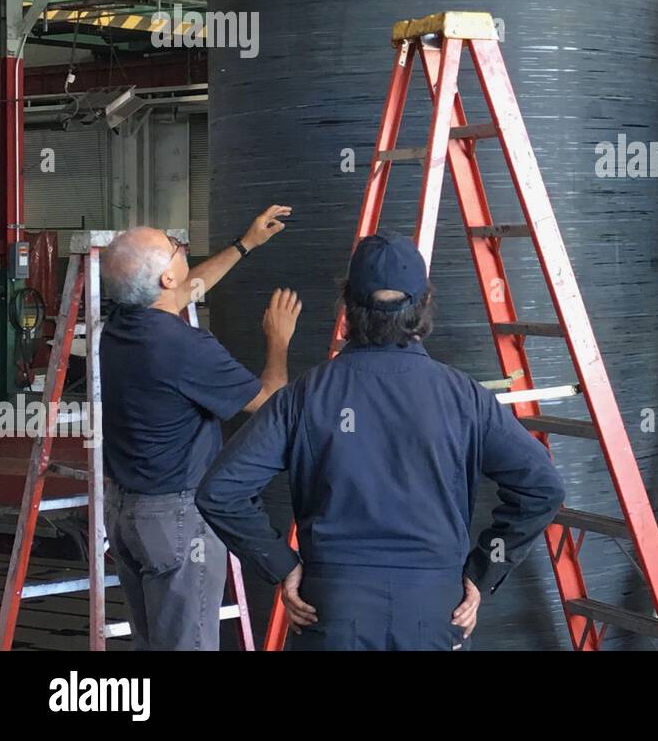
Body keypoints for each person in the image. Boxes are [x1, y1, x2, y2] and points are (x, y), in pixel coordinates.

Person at [196, 230, 566, 651]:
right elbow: (543, 488)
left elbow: (220, 491)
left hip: (333, 610)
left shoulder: (303, 397)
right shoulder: (465, 399)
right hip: (433, 610)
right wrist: (483, 570)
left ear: (348, 307)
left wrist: (281, 564)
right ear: (424, 304)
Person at [99, 206, 300, 650]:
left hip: (126, 513)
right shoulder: (184, 348)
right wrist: (278, 341)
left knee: (152, 642)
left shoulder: (120, 323)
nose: (181, 248)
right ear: (164, 280)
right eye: (173, 247)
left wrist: (245, 244)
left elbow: (189, 289)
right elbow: (270, 402)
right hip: (177, 519)